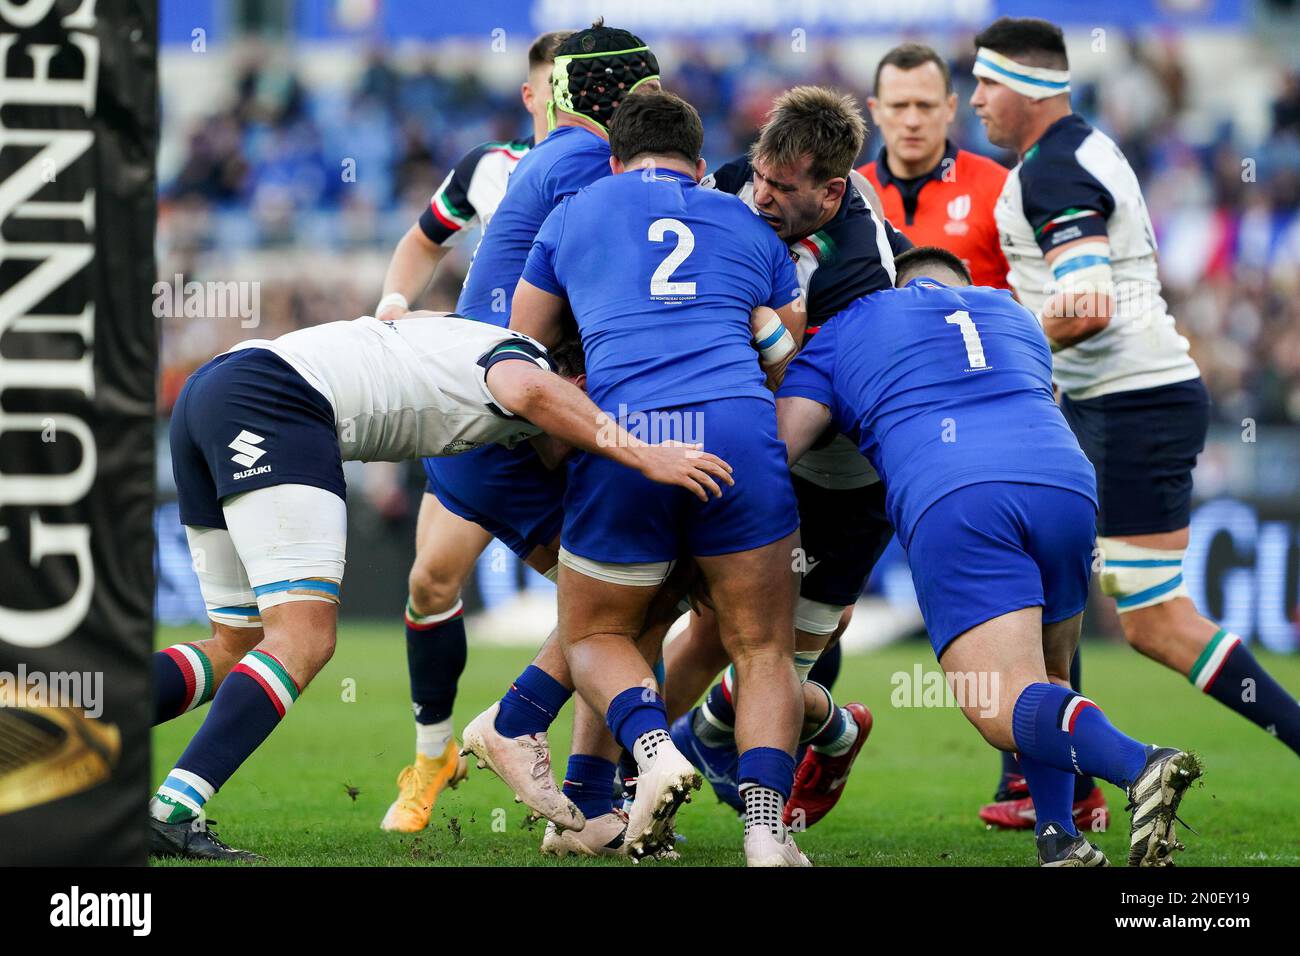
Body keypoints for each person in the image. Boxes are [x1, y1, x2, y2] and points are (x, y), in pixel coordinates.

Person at [150, 311, 731, 861]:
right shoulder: (523, 360)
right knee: (301, 640)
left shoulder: (465, 343)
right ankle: (172, 812)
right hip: (277, 402)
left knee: (236, 647)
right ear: (577, 381)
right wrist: (644, 454)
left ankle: (76, 725)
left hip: (212, 389)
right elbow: (530, 391)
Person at [777, 245, 1204, 867]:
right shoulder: (1015, 316)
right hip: (1065, 483)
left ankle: (1142, 765)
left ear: (902, 286)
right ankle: (1059, 838)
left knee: (999, 705)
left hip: (960, 494)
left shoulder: (856, 321)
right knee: (1050, 679)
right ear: (964, 285)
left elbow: (780, 447)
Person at [972, 17, 1300, 787]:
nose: (975, 99)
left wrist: (997, 353)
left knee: (1151, 619)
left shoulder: (1053, 168)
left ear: (1027, 87)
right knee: (1048, 581)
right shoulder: (1083, 149)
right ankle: (1063, 782)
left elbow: (1085, 305)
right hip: (1111, 400)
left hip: (1130, 402)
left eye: (987, 83)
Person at [508, 89, 813, 866]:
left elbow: (520, 353)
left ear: (614, 160)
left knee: (599, 632)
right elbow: (789, 356)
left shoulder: (575, 210)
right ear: (701, 167)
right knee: (762, 648)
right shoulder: (744, 219)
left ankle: (650, 752)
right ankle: (766, 832)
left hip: (626, 434)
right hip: (738, 433)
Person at [858, 39, 1102, 831]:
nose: (913, 119)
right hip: (880, 425)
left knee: (1036, 598)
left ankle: (1042, 779)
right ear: (875, 111)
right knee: (816, 586)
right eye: (897, 105)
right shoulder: (849, 194)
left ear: (950, 109)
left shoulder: (999, 188)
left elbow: (1040, 294)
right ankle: (800, 745)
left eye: (928, 104)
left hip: (988, 428)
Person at [667, 86, 909, 830]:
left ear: (832, 191)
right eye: (762, 179)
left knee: (776, 660)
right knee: (712, 629)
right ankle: (619, 772)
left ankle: (828, 734)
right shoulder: (741, 178)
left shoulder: (862, 270)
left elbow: (802, 393)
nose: (762, 196)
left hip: (840, 480)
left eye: (783, 189)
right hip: (761, 440)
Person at [371, 28, 575, 836]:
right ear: (533, 99)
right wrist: (392, 302)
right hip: (479, 409)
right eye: (558, 90)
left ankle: (599, 770)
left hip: (564, 424)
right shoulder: (491, 168)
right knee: (429, 583)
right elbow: (424, 238)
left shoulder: (621, 175)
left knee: (608, 607)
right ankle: (432, 758)